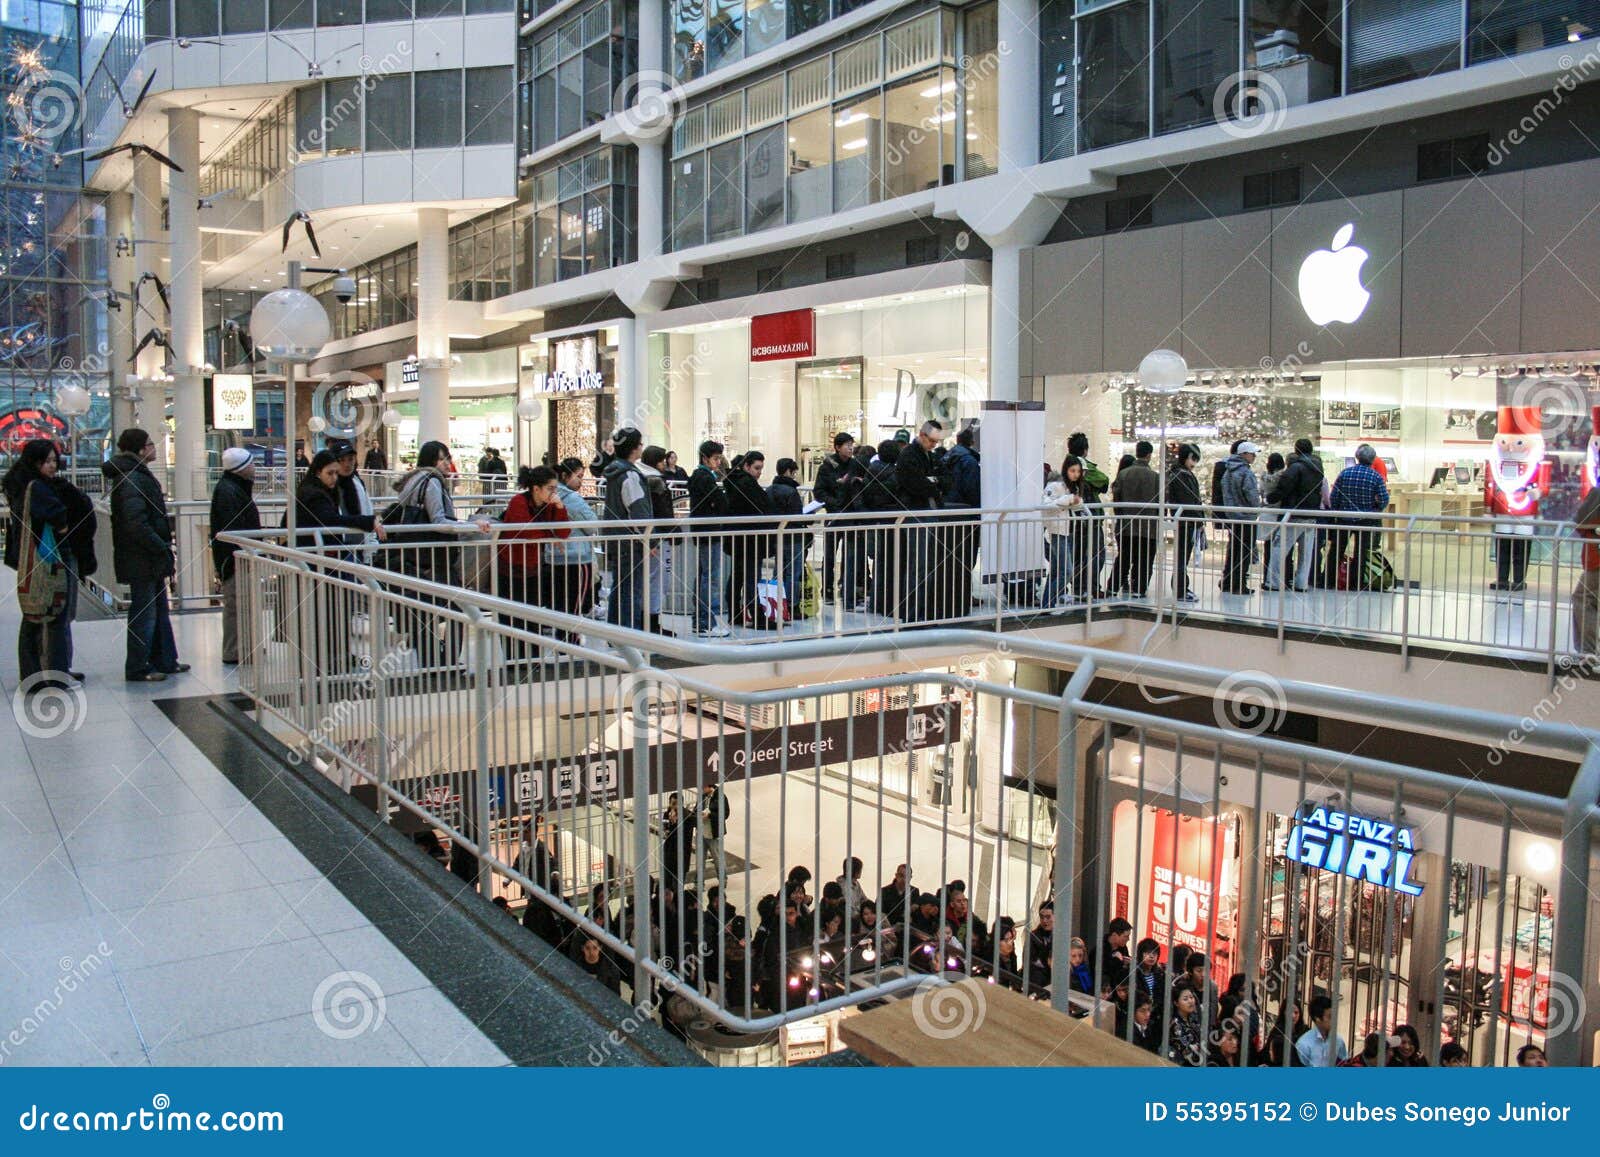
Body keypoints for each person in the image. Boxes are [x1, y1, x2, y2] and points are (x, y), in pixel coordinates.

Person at [386, 440, 490, 663]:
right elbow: (439, 520)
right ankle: (446, 661)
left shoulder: (414, 480)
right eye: (443, 458)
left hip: (416, 557)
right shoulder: (432, 482)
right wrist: (470, 526)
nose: (447, 463)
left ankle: (432, 662)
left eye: (448, 458)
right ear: (432, 460)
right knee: (459, 607)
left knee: (425, 611)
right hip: (434, 557)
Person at [103, 428, 187, 683]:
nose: (154, 448)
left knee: (157, 609)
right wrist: (158, 544)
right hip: (142, 557)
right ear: (141, 449)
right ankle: (139, 666)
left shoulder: (133, 475)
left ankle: (164, 660)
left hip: (145, 557)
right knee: (145, 613)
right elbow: (135, 522)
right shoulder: (133, 478)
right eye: (151, 444)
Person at [5, 440, 89, 688]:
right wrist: (63, 525)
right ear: (35, 462)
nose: (53, 466)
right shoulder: (38, 488)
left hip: (30, 560)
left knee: (33, 616)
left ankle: (32, 676)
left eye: (55, 460)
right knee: (55, 617)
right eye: (47, 461)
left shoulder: (18, 485)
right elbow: (59, 517)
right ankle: (57, 675)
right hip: (49, 559)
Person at [498, 465, 570, 659]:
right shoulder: (518, 502)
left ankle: (533, 660)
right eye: (551, 488)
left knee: (533, 617)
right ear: (536, 489)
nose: (554, 493)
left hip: (532, 569)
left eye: (556, 488)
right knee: (512, 617)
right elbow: (527, 531)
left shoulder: (548, 505)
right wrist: (549, 536)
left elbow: (563, 532)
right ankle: (515, 660)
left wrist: (560, 508)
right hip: (510, 569)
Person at [209, 447, 261, 665]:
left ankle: (244, 647)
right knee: (237, 605)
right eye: (251, 463)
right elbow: (233, 528)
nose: (255, 467)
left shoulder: (231, 489)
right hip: (236, 559)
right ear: (241, 468)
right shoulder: (230, 492)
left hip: (236, 558)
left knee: (241, 605)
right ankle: (235, 650)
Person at [601, 427, 652, 632]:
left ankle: (617, 632)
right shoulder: (629, 475)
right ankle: (629, 635)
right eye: (640, 444)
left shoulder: (615, 471)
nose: (642, 448)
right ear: (633, 448)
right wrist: (650, 538)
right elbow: (638, 509)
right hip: (631, 542)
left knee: (620, 587)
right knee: (631, 590)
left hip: (618, 539)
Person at [895, 420, 945, 622]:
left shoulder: (927, 455)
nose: (934, 445)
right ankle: (913, 614)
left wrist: (932, 480)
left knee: (925, 566)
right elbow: (917, 484)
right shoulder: (909, 456)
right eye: (932, 440)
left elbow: (944, 478)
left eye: (936, 442)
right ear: (922, 435)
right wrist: (933, 482)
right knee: (919, 566)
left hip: (926, 513)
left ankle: (920, 612)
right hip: (916, 513)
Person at [813, 432, 870, 607]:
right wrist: (834, 503)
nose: (850, 448)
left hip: (852, 516)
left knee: (851, 556)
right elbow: (819, 491)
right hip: (834, 516)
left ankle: (848, 589)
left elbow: (864, 484)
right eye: (847, 445)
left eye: (852, 445)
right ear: (837, 447)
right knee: (829, 555)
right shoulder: (826, 467)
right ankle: (827, 590)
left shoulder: (856, 464)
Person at [544, 459, 599, 643]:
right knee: (574, 602)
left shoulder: (549, 493)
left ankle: (563, 639)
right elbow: (592, 525)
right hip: (577, 557)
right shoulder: (572, 498)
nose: (581, 481)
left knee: (561, 601)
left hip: (554, 556)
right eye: (579, 476)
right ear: (566, 476)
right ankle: (571, 640)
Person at [1325, 443, 1390, 590]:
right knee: (1361, 553)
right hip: (1365, 520)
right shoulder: (1376, 477)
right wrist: (1375, 509)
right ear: (1373, 459)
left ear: (1357, 457)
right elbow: (1384, 499)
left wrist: (1336, 511)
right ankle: (1356, 583)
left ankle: (1329, 581)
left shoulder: (1344, 473)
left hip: (1343, 518)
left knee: (1336, 551)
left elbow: (1334, 497)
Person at [723, 450, 777, 628]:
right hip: (750, 540)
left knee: (738, 577)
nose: (759, 472)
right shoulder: (747, 484)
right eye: (756, 468)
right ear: (746, 466)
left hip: (739, 539)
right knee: (750, 578)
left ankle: (735, 614)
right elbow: (763, 508)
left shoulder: (734, 482)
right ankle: (757, 617)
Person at [687, 439, 732, 637]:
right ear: (705, 458)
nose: (718, 463)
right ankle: (706, 622)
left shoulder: (702, 476)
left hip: (705, 529)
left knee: (706, 575)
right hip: (708, 530)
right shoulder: (703, 477)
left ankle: (702, 620)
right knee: (710, 578)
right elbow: (720, 502)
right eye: (715, 458)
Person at [859, 439, 905, 617]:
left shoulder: (871, 470)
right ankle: (890, 603)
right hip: (892, 521)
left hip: (874, 520)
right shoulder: (896, 474)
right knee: (893, 564)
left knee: (879, 562)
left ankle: (876, 602)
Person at [1275, 438, 1325, 592]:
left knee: (1280, 547)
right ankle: (1301, 583)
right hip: (1311, 513)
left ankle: (1273, 581)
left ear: (1296, 450)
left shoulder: (1296, 467)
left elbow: (1284, 487)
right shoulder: (1318, 467)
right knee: (1306, 552)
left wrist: (1271, 498)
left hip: (1294, 512)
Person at [1111, 440, 1161, 597]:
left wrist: (1120, 517)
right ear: (1149, 455)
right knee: (1145, 559)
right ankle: (1138, 589)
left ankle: (1113, 586)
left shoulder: (1123, 474)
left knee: (1124, 557)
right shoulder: (1155, 477)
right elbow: (1161, 501)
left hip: (1126, 525)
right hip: (1149, 527)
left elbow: (1116, 500)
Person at [1040, 456, 1088, 607]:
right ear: (1066, 470)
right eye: (1072, 470)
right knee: (1066, 571)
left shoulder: (1073, 488)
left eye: (1078, 471)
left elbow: (1076, 505)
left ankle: (1047, 604)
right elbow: (1046, 506)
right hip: (1057, 532)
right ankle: (1048, 602)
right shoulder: (1055, 486)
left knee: (1055, 571)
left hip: (1069, 532)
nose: (1076, 474)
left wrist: (1075, 502)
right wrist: (1068, 500)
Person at [1066, 433, 1110, 598]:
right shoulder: (1083, 466)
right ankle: (1088, 588)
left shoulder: (1067, 465)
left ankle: (1079, 587)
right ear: (1085, 450)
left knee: (1077, 555)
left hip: (1074, 518)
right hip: (1088, 519)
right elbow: (1104, 480)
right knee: (1096, 555)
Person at [639, 445, 677, 635]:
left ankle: (646, 620)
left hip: (648, 535)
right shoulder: (655, 481)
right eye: (662, 460)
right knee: (657, 580)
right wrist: (673, 532)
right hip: (657, 537)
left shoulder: (639, 477)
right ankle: (652, 621)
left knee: (648, 579)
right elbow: (663, 511)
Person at [1218, 441, 1261, 595]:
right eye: (1252, 453)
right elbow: (1251, 495)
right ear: (1244, 454)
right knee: (1244, 553)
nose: (1254, 456)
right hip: (1246, 517)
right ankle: (1239, 584)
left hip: (1233, 517)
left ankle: (1228, 581)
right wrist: (1258, 507)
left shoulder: (1228, 471)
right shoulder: (1246, 472)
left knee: (1234, 551)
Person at [767, 457, 806, 619]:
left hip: (777, 536)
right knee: (793, 573)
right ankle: (792, 605)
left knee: (779, 571)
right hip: (793, 536)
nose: (795, 476)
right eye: (794, 472)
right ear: (788, 471)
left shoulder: (770, 489)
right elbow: (797, 516)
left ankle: (778, 604)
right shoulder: (791, 492)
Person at [1166, 444, 1204, 603]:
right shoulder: (1182, 475)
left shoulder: (1177, 473)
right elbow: (1188, 500)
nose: (1195, 462)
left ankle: (1180, 588)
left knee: (1182, 556)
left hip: (1185, 521)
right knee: (1182, 556)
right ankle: (1180, 589)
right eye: (1193, 458)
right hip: (1186, 521)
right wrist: (1198, 517)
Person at [1570, 481, 1600, 654]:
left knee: (1582, 597)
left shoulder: (1597, 493)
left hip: (1596, 558)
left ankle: (1588, 651)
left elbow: (1581, 520)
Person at [1258, 451, 1288, 590]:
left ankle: (1266, 578)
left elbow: (1261, 494)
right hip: (1278, 514)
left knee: (1268, 549)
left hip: (1266, 514)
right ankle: (1281, 579)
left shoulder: (1263, 478)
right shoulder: (1283, 477)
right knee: (1281, 548)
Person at [1295, 994, 1348, 1066]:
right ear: (1318, 1019)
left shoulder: (1338, 1040)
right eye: (1330, 1017)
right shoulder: (1303, 1044)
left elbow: (1345, 1064)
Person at [1168, 985, 1205, 1066]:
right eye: (1185, 999)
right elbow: (1187, 1053)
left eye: (1191, 997)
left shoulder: (1193, 1019)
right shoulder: (1175, 1025)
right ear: (1176, 1003)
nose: (1190, 1001)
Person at [1027, 901, 1054, 991]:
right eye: (1042, 917)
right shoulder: (1033, 937)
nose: (1044, 921)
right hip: (1038, 984)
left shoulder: (1061, 937)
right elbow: (1030, 963)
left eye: (1048, 917)